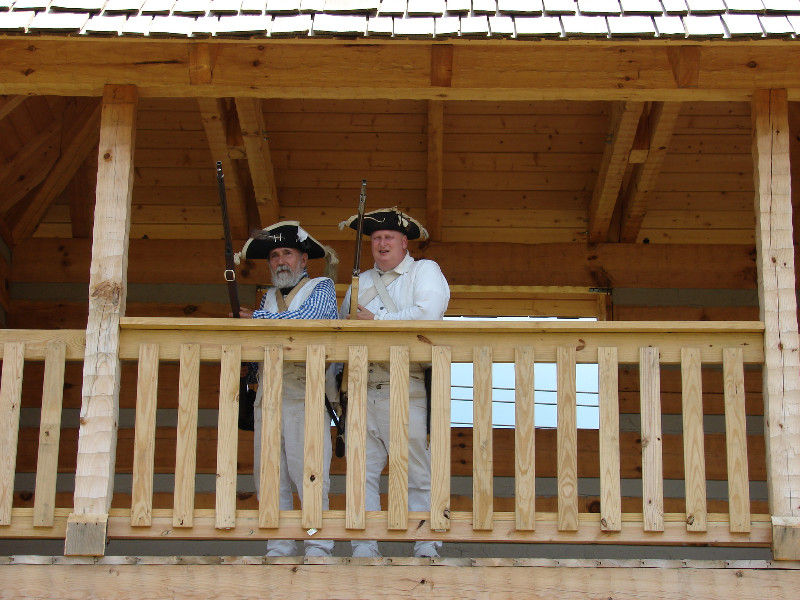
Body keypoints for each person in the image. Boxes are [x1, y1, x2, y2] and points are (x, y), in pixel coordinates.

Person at [336, 207, 450, 558]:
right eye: (376, 239)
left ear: (404, 243)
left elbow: (428, 315)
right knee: (361, 473)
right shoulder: (361, 282)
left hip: (407, 383)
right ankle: (364, 546)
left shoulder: (424, 271)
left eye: (388, 238)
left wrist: (378, 321)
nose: (381, 244)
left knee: (416, 470)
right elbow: (341, 330)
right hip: (361, 388)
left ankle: (426, 544)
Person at [235, 221, 339, 558]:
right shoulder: (267, 298)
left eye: (288, 254)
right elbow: (260, 343)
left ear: (303, 259)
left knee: (308, 473)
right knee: (269, 476)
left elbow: (309, 321)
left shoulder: (321, 287)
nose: (281, 260)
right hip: (268, 395)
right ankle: (278, 546)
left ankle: (316, 545)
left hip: (304, 394)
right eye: (275, 255)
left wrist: (257, 321)